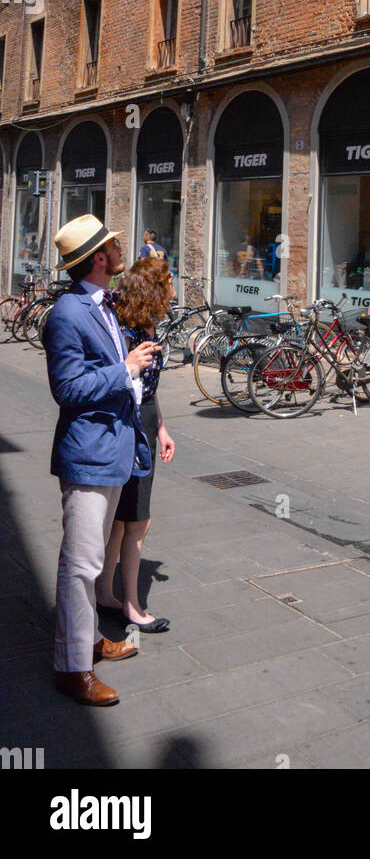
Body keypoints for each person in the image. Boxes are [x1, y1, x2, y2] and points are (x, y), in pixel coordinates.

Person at [43, 215, 159, 707]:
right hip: (88, 452)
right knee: (81, 564)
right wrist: (125, 368)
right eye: (113, 245)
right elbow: (67, 389)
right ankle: (72, 668)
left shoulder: (103, 305)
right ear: (98, 258)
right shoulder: (67, 314)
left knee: (90, 563)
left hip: (113, 449)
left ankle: (89, 640)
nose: (120, 249)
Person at [96, 258, 175, 631]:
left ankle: (106, 593)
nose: (173, 289)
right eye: (169, 282)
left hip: (141, 423)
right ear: (154, 289)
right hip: (128, 426)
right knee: (135, 521)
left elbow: (150, 390)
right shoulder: (126, 333)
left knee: (122, 521)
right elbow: (126, 383)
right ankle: (131, 605)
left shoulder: (142, 326)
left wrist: (161, 428)